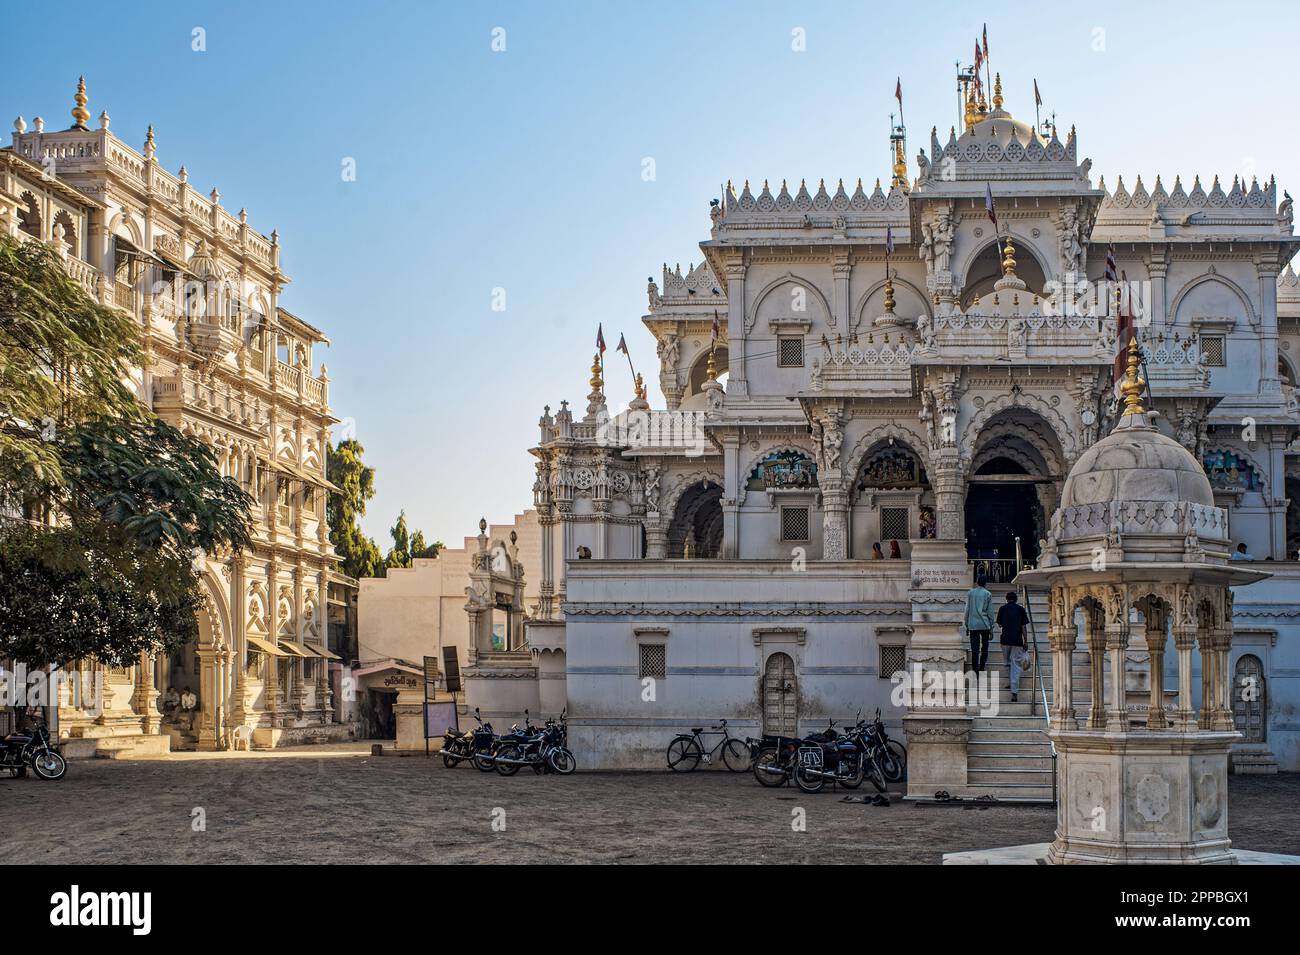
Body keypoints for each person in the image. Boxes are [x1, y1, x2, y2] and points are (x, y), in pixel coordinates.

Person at [996, 591, 1030, 702]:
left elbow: (1000, 624)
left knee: (1007, 662)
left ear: (1006, 599)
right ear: (1016, 599)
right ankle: (1014, 691)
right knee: (1015, 665)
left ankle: (1010, 683)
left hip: (1005, 640)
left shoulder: (1002, 609)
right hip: (1017, 641)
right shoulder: (1020, 609)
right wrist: (1026, 641)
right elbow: (1023, 627)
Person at [964, 575, 995, 673]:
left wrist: (966, 624)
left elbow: (967, 610)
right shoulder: (988, 594)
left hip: (973, 625)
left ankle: (975, 670)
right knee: (984, 648)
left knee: (975, 649)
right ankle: (981, 667)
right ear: (986, 583)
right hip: (985, 624)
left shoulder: (970, 593)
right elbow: (990, 612)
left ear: (977, 582)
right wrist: (991, 627)